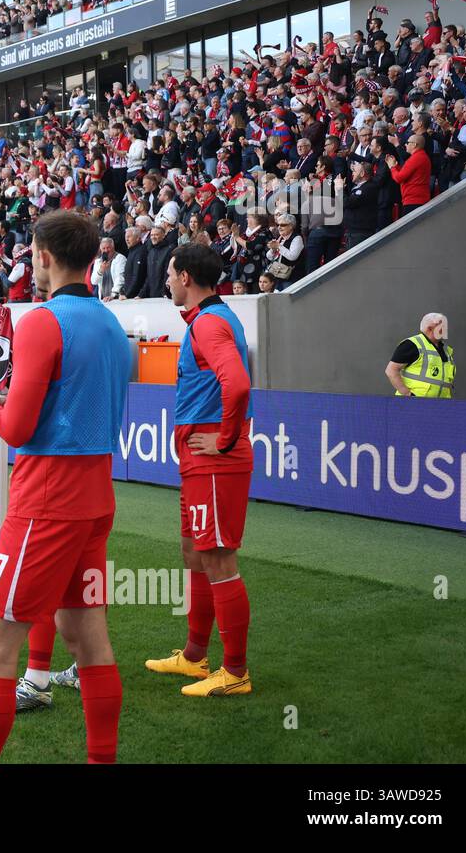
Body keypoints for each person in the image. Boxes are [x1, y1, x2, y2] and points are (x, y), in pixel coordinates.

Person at [0, 213, 131, 763]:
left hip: (46, 499)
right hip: (96, 496)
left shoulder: (40, 322)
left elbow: (22, 428)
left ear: (45, 256)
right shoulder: (111, 325)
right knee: (89, 639)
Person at [147, 243, 254, 697]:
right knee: (195, 551)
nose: (167, 281)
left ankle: (235, 672)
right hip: (200, 458)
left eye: (170, 274)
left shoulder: (208, 324)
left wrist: (227, 438)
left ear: (186, 277)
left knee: (218, 559)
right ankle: (194, 657)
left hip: (214, 459)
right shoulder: (210, 320)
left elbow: (239, 384)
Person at [385, 312, 454, 398]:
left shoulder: (446, 349)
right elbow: (391, 370)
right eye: (442, 327)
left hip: (440, 406)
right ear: (430, 329)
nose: (445, 330)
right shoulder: (412, 344)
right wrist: (407, 394)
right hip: (414, 405)